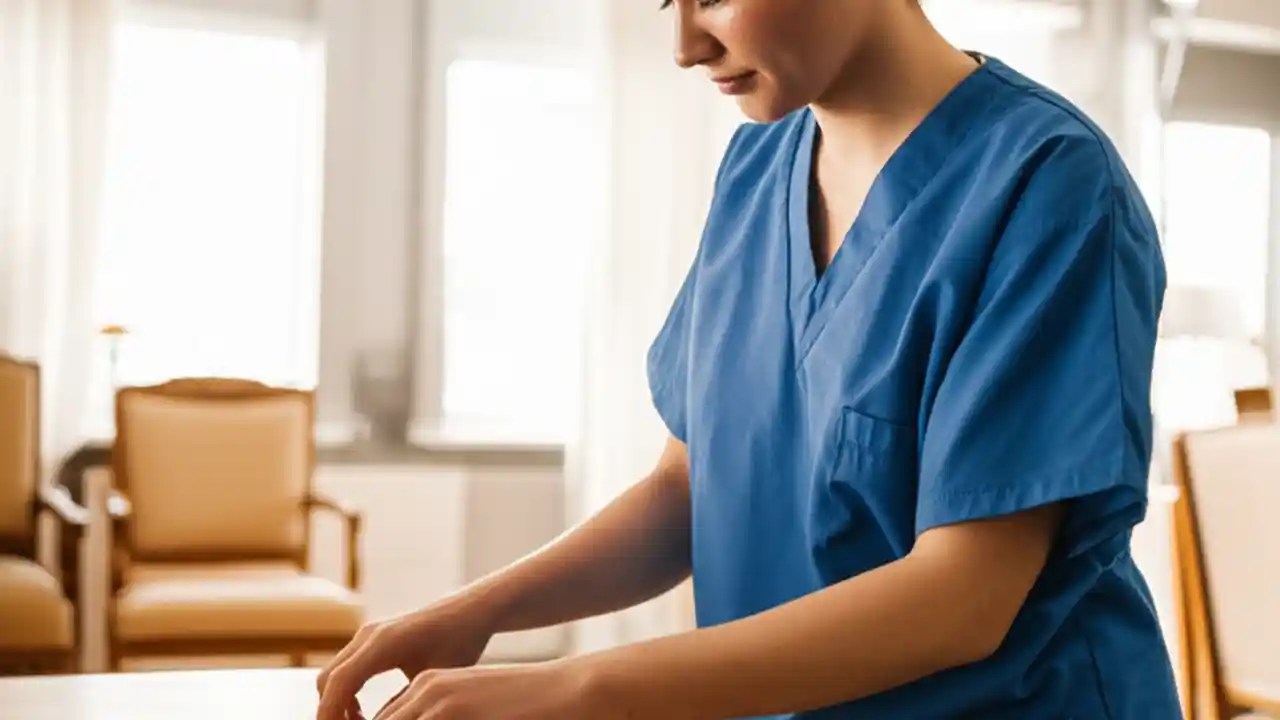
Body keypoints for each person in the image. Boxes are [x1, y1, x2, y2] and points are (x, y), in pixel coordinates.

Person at [316, 0, 1182, 717]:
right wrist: (476, 613)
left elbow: (964, 598)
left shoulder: (1049, 184)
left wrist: (572, 687)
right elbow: (687, 490)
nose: (685, 45)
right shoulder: (758, 167)